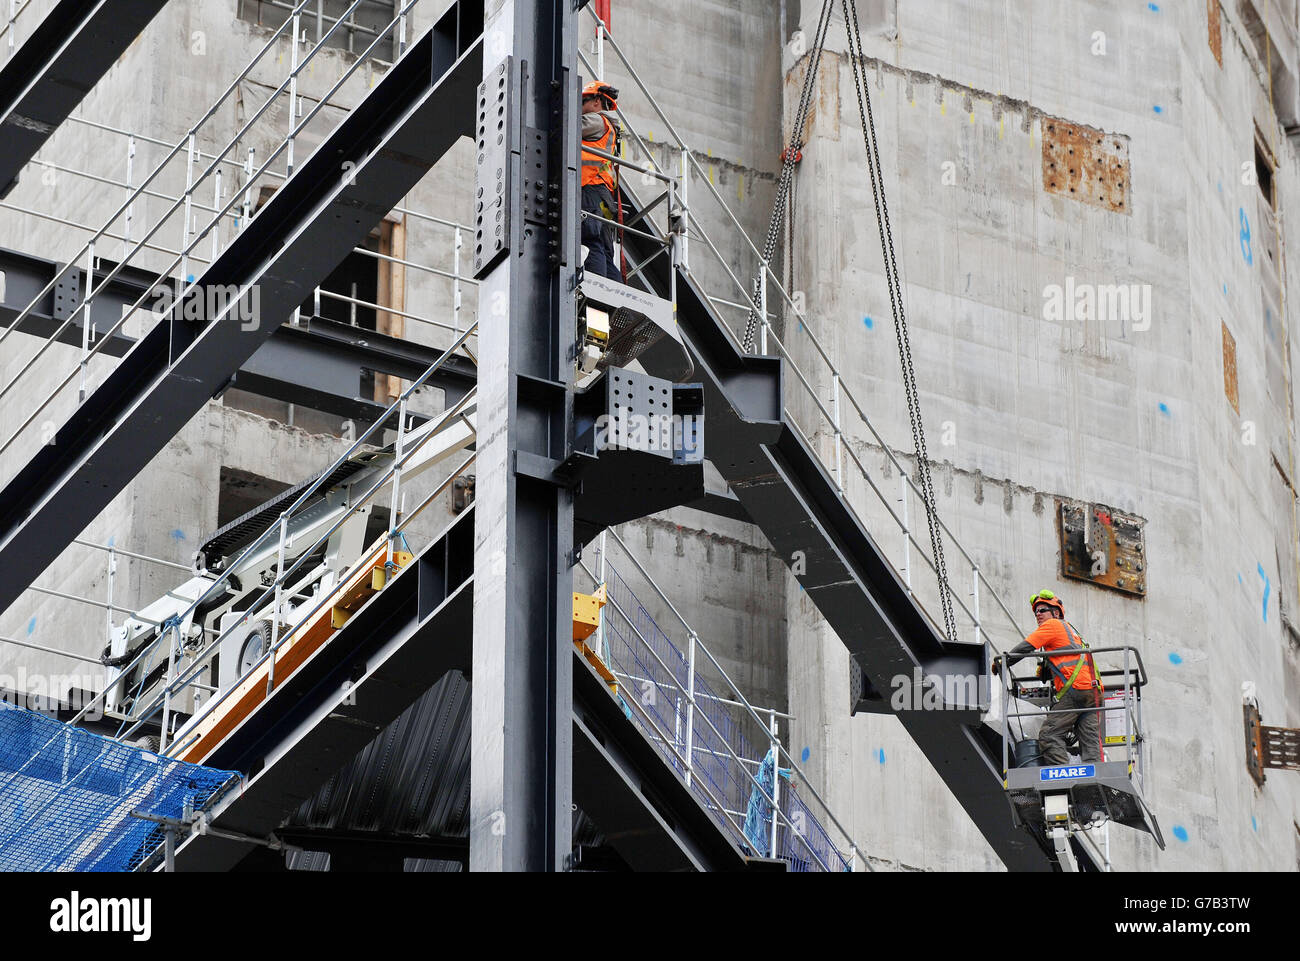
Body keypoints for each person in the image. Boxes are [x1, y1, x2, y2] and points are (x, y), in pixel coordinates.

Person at [1001, 589, 1104, 765]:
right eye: (1036, 612)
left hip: (1075, 691)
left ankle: (1062, 774)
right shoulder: (1071, 631)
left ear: (1055, 613)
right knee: (1089, 739)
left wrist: (1003, 662)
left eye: (1042, 610)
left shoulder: (1053, 625)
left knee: (1049, 735)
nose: (1038, 614)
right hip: (1093, 693)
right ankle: (1095, 775)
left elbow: (1026, 647)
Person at [580, 81, 621, 281]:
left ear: (597, 101)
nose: (578, 107)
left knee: (590, 241)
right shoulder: (609, 127)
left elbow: (566, 126)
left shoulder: (596, 121)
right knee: (605, 250)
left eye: (582, 102)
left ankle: (597, 292)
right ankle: (615, 297)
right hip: (602, 196)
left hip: (590, 189)